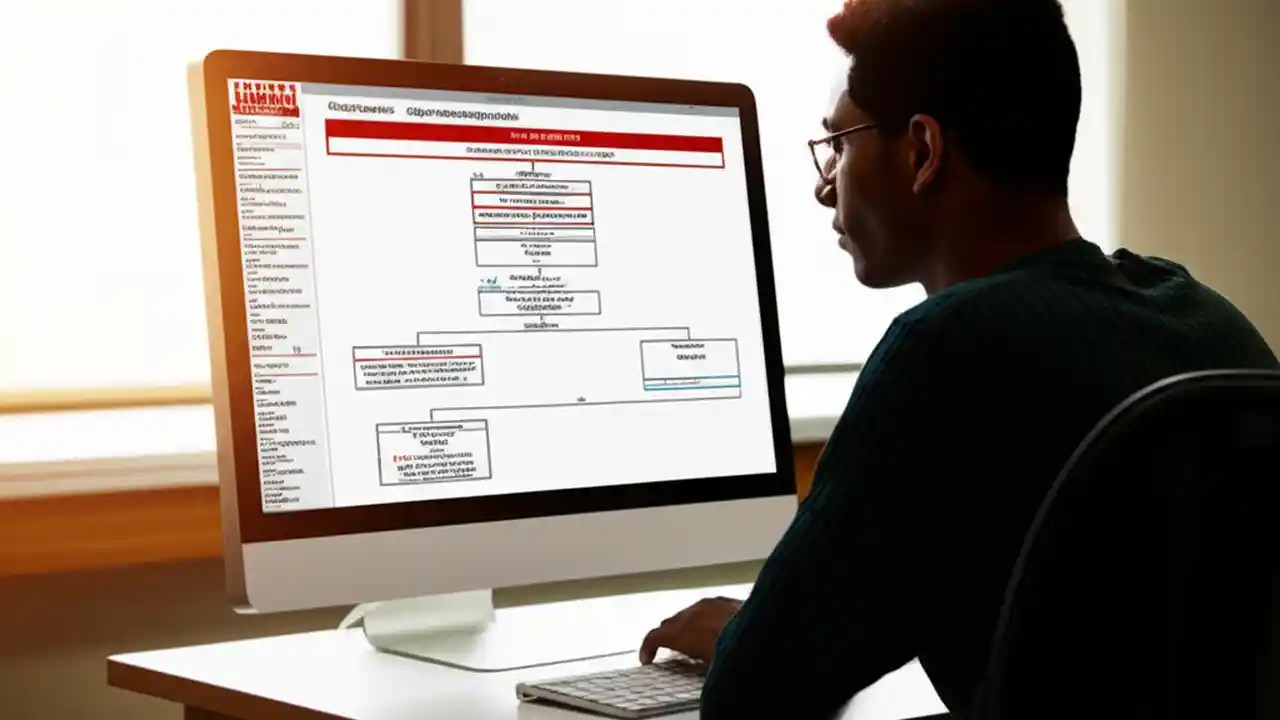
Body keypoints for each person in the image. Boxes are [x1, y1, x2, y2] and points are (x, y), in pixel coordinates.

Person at [637, 0, 1280, 717]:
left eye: (840, 143)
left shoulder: (944, 352)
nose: (824, 185)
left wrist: (744, 641)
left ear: (923, 151)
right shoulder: (1210, 320)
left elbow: (756, 691)